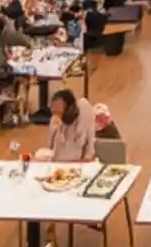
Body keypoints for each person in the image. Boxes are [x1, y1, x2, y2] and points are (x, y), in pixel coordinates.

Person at [27, 90, 97, 246]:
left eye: (59, 111)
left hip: (79, 165)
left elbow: (90, 145)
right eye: (54, 111)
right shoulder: (56, 120)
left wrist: (85, 163)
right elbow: (50, 148)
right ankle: (38, 238)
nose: (56, 114)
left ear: (70, 108)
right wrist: (54, 129)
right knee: (33, 192)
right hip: (57, 164)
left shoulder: (84, 110)